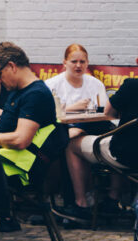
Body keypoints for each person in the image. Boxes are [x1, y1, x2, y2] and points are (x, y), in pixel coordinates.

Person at [0, 42, 59, 231]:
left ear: (11, 66)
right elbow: (8, 128)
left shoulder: (35, 95)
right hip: (4, 158)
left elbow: (20, 139)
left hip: (16, 167)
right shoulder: (20, 91)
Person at [46, 44, 110, 220]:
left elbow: (104, 113)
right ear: (64, 62)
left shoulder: (95, 83)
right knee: (66, 139)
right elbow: (48, 114)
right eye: (74, 61)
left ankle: (80, 202)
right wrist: (73, 109)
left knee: (73, 138)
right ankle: (76, 201)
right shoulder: (52, 84)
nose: (78, 66)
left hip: (90, 130)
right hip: (61, 130)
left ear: (88, 63)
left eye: (82, 61)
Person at [74, 62, 138, 219]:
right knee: (112, 140)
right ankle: (112, 197)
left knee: (72, 143)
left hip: (126, 155)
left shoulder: (131, 85)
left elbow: (108, 112)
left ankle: (81, 203)